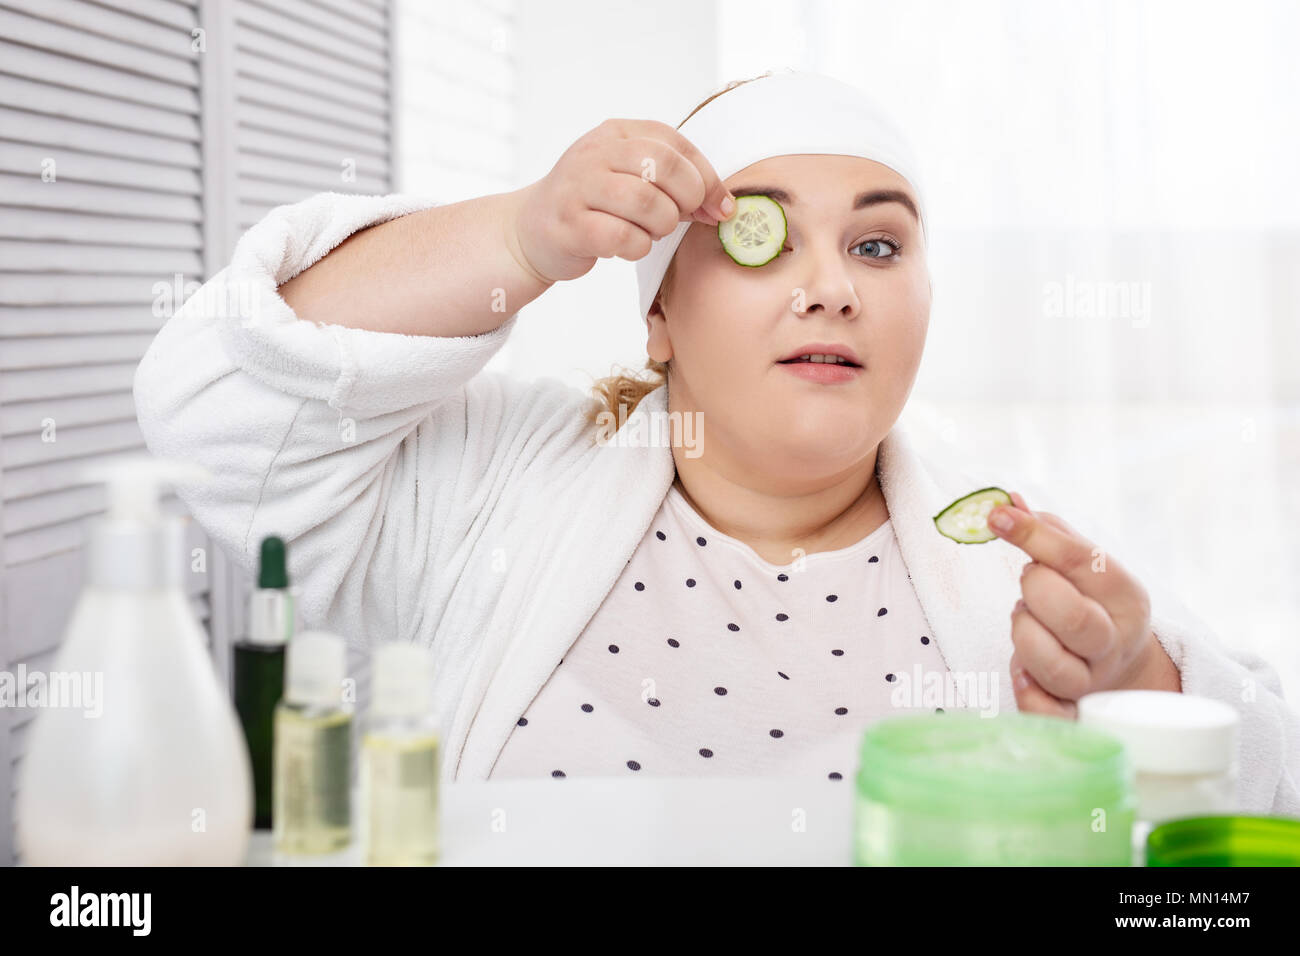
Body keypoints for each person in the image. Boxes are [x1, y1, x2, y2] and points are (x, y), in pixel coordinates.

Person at [134, 70, 1299, 811]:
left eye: (879, 247)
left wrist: (1143, 690)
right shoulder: (494, 487)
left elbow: (1269, 797)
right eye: (762, 239)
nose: (831, 287)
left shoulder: (1017, 563)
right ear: (658, 314)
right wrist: (525, 231)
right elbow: (218, 417)